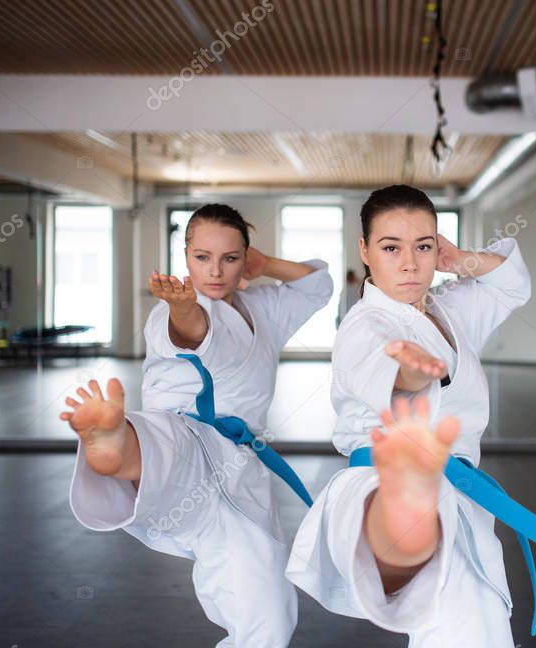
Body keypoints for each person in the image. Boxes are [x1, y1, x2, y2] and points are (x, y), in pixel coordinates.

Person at [286, 184, 536, 647]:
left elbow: (513, 285)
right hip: (383, 482)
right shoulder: (365, 324)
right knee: (459, 616)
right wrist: (408, 370)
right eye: (391, 247)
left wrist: (459, 259)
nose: (409, 262)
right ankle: (404, 525)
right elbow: (380, 371)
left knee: (471, 623)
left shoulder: (449, 307)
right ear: (364, 250)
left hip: (454, 492)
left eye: (423, 246)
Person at [64, 203, 333, 647]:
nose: (215, 271)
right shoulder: (174, 310)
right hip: (184, 435)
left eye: (230, 258)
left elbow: (316, 287)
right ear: (185, 255)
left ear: (245, 259)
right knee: (167, 445)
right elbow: (194, 333)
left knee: (269, 611)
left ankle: (124, 446)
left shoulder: (262, 309)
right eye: (202, 257)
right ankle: (117, 442)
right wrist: (183, 307)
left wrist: (264, 264)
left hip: (239, 471)